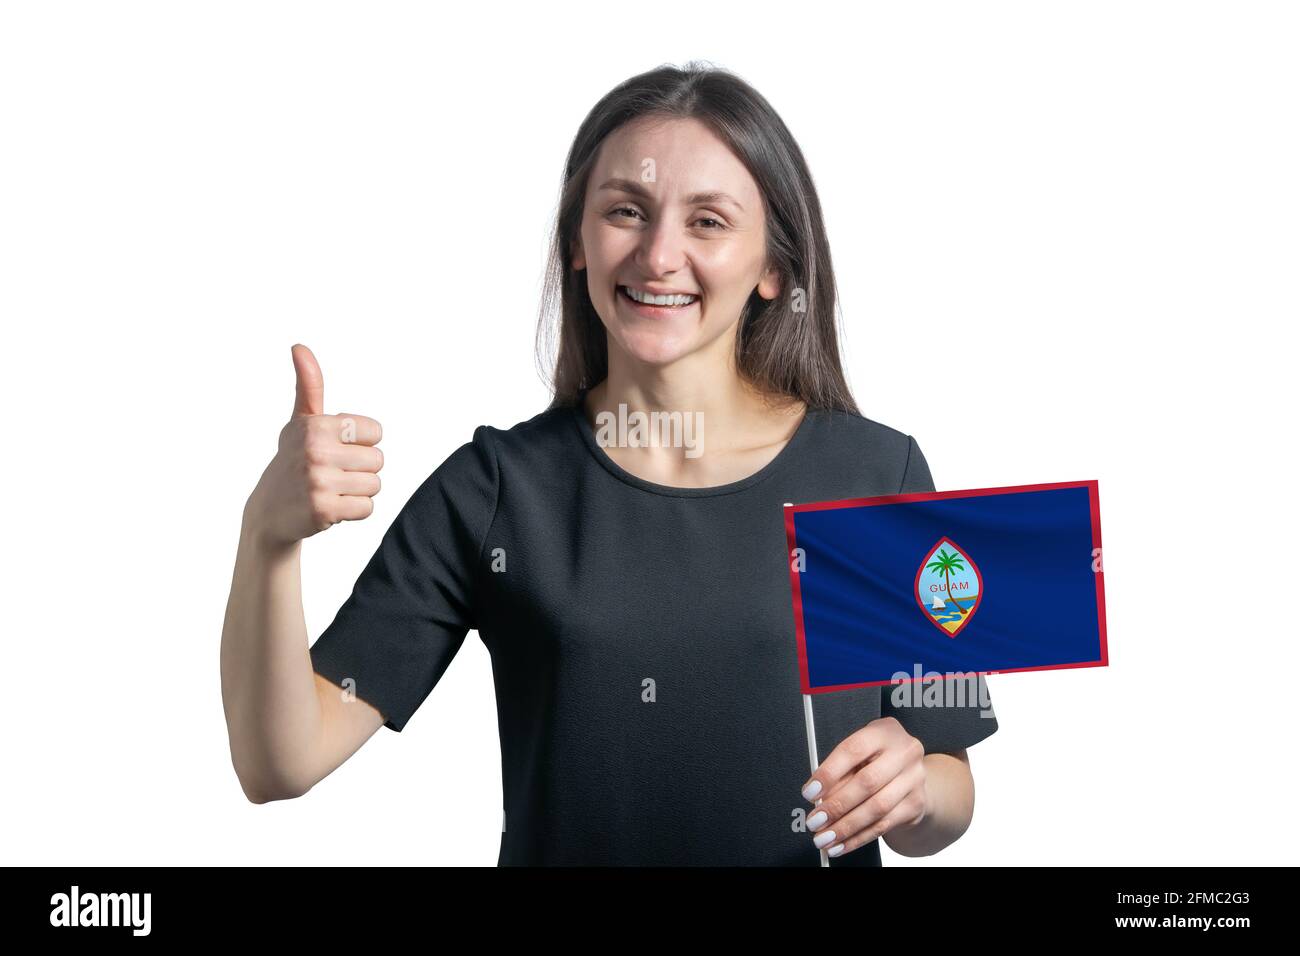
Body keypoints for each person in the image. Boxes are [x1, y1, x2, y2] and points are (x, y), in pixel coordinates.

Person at [220, 62, 998, 866]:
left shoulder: (875, 474)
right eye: (627, 211)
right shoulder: (496, 490)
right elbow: (280, 760)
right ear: (579, 243)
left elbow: (948, 780)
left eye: (708, 221)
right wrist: (267, 538)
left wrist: (917, 790)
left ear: (773, 267)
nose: (660, 255)